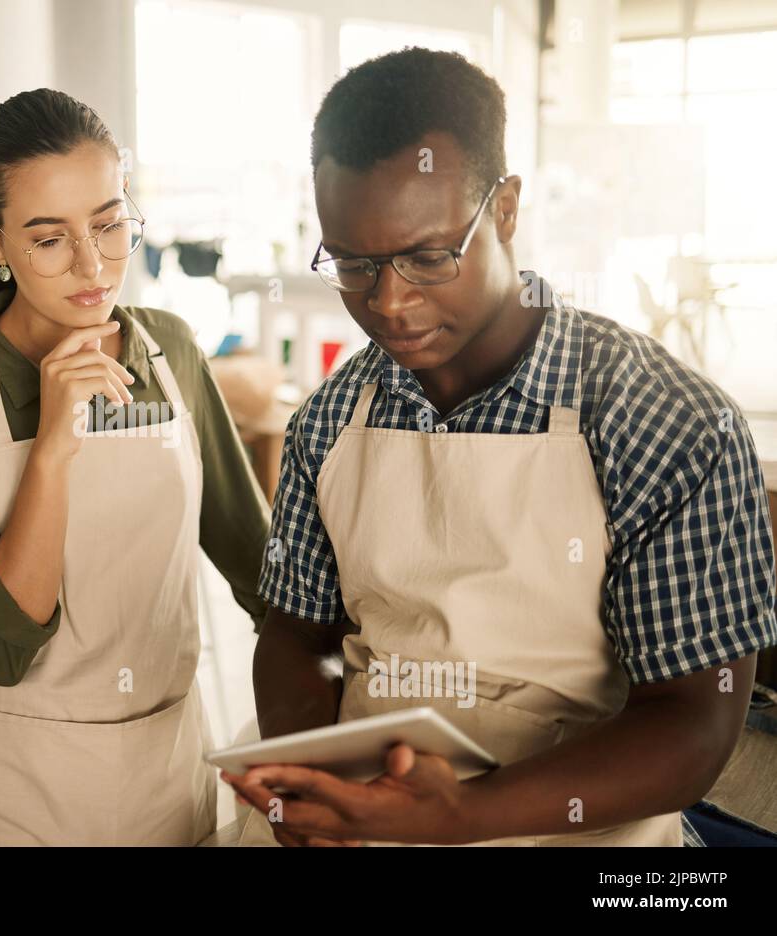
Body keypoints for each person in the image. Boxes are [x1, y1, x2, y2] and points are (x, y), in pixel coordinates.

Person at [225, 48, 776, 847]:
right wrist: (310, 782)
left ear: (506, 210)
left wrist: (463, 816)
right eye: (354, 264)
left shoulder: (666, 423)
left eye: (427, 256)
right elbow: (296, 637)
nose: (389, 302)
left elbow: (693, 722)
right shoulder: (329, 421)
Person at [0, 89, 270, 845]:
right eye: (49, 239)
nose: (94, 266)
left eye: (109, 223)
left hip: (170, 766)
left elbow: (255, 560)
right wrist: (54, 447)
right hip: (18, 790)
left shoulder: (172, 352)